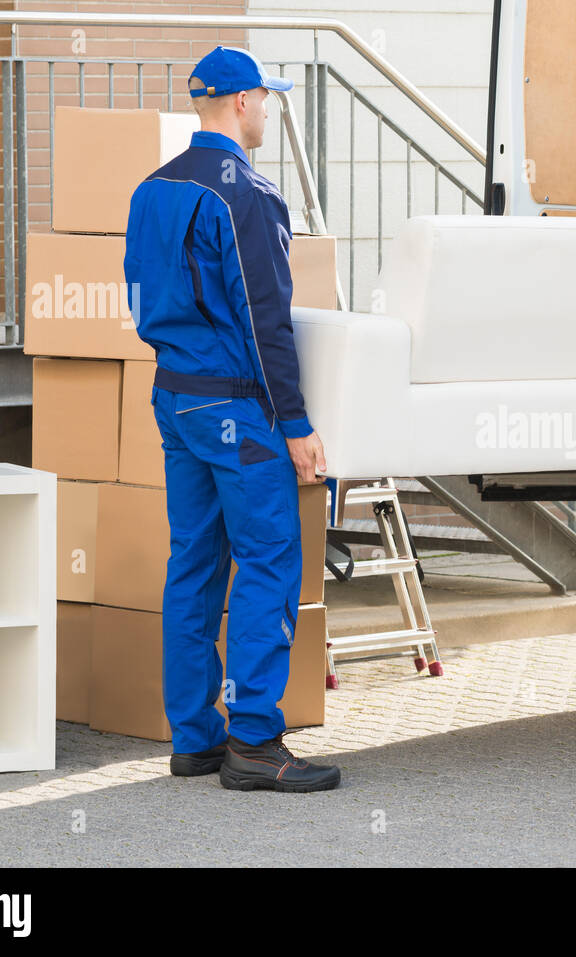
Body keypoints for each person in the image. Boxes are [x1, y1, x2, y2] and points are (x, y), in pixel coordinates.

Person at [123, 46, 340, 792]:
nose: (270, 110)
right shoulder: (244, 193)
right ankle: (253, 739)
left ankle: (194, 736)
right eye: (267, 98)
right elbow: (266, 319)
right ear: (243, 101)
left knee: (193, 560)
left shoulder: (150, 191)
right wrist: (297, 424)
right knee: (271, 558)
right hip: (236, 408)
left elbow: (141, 300)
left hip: (175, 395)